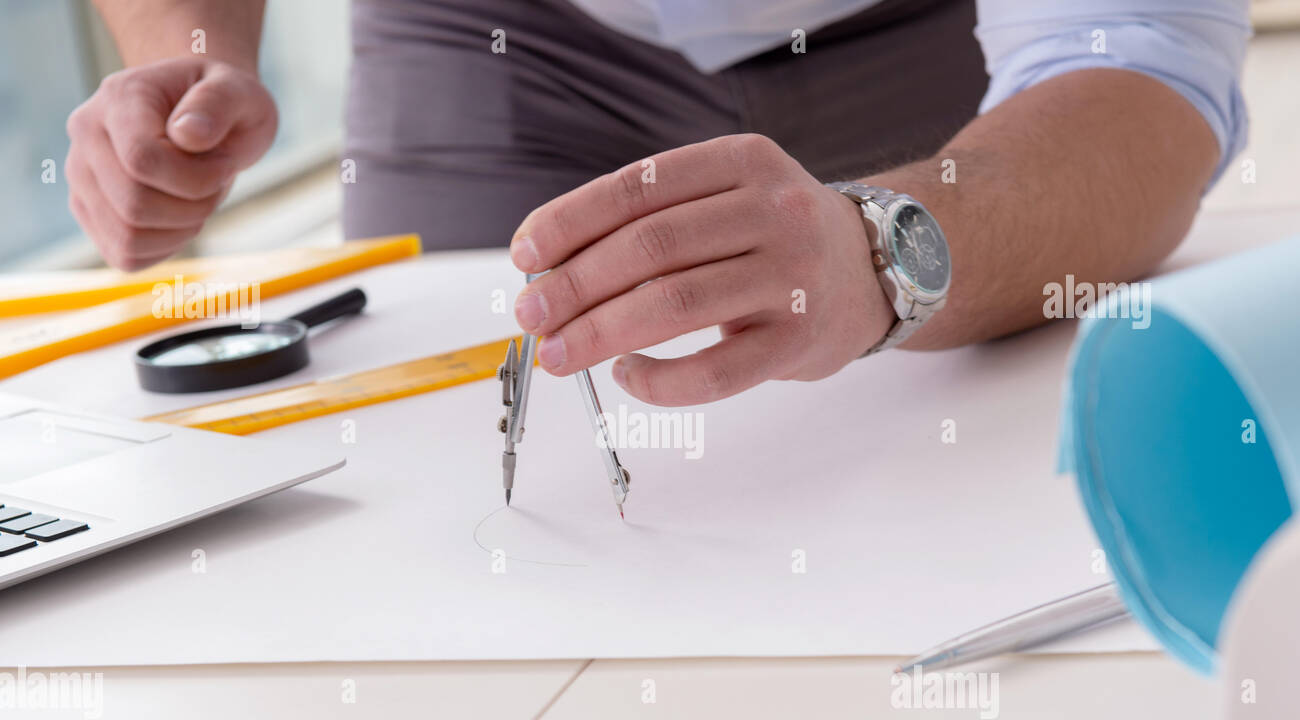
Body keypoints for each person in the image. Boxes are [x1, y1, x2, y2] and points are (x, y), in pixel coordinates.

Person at [68, 0, 1248, 405]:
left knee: (956, 423)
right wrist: (194, 51)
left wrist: (884, 252)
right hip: (502, 37)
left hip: (910, 32)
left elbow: (1136, 70)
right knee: (430, 424)